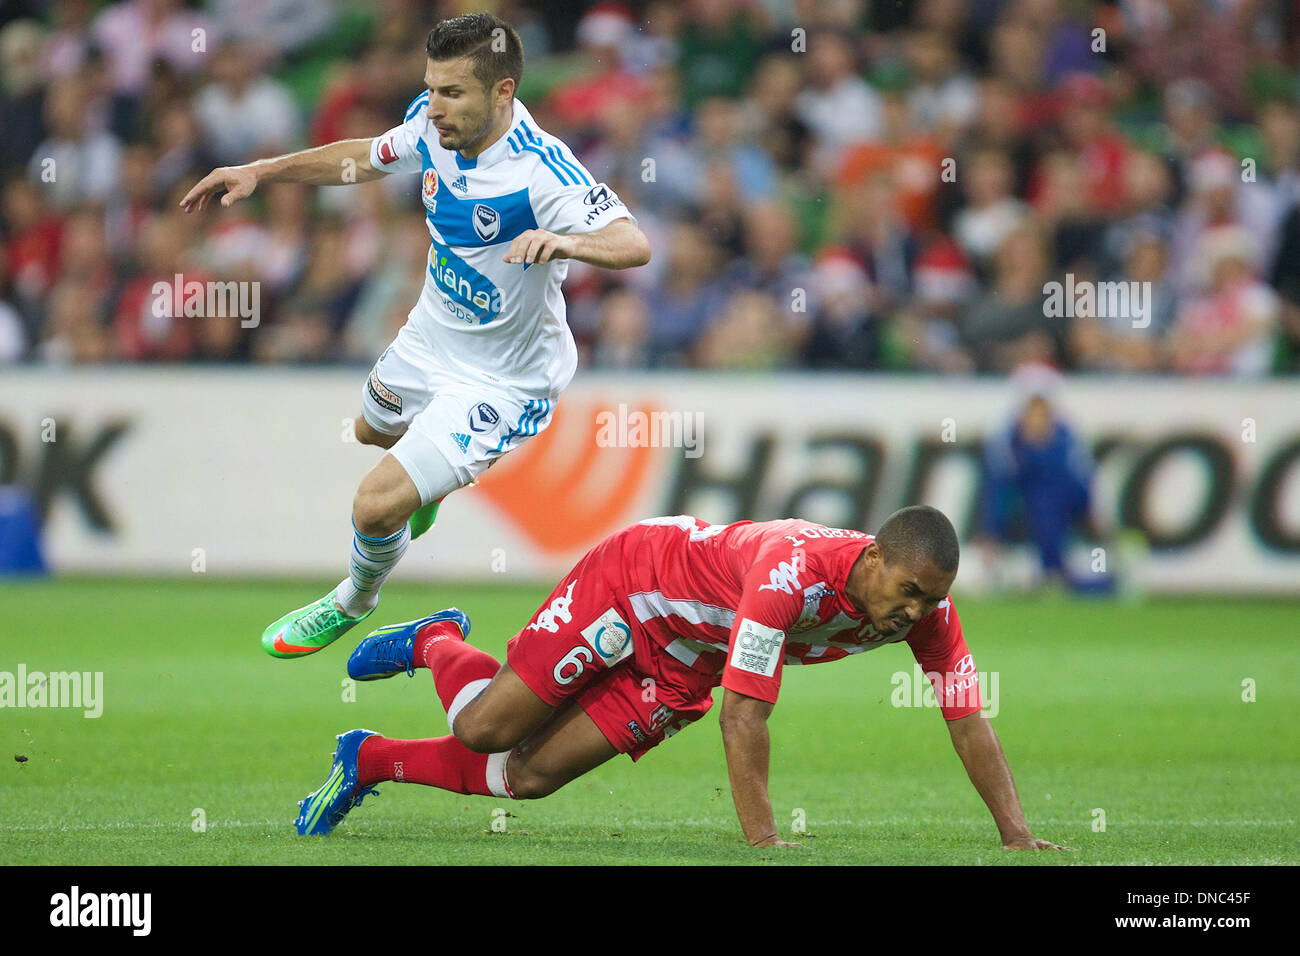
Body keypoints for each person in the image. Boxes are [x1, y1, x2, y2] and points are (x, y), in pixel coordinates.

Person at [179, 14, 651, 658]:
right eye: (430, 88)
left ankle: (354, 598)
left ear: (503, 91)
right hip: (428, 338)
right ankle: (423, 488)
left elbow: (633, 243)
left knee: (375, 506)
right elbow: (364, 158)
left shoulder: (542, 172)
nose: (436, 107)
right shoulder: (431, 125)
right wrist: (263, 171)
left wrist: (565, 241)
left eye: (452, 93)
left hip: (506, 380)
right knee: (372, 430)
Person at [296, 506, 1069, 851]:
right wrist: (764, 841)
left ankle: (365, 758)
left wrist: (1014, 835)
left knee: (528, 779)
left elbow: (966, 716)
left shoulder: (930, 613)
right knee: (484, 729)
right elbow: (745, 718)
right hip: (631, 588)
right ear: (871, 558)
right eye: (908, 592)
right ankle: (434, 638)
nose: (916, 612)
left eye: (930, 599)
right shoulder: (789, 577)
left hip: (687, 658)